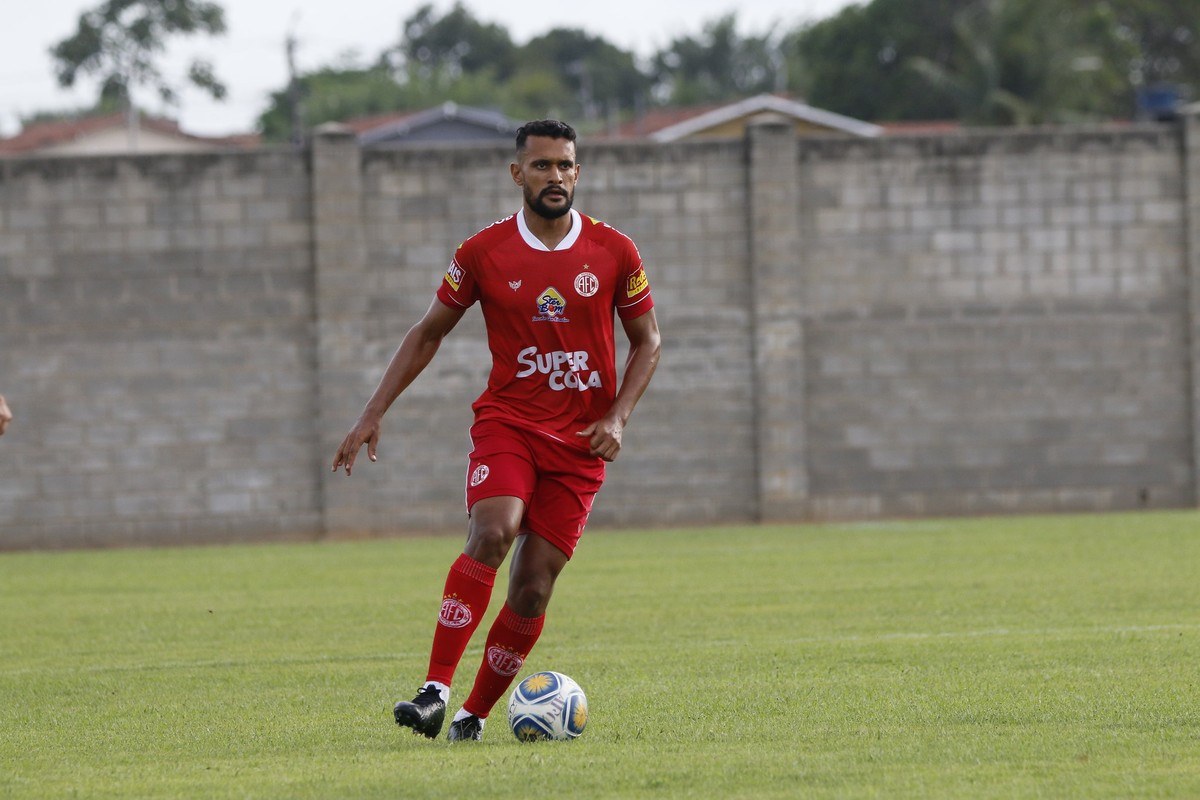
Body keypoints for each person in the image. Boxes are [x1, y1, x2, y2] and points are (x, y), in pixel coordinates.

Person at [331, 119, 661, 742]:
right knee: (493, 530)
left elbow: (649, 342)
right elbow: (428, 333)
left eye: (565, 166)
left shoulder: (615, 251)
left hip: (580, 445)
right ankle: (433, 690)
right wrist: (372, 413)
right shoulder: (482, 253)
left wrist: (617, 416)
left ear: (578, 173)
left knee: (533, 588)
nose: (555, 177)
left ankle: (471, 716)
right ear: (518, 174)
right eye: (542, 166)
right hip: (509, 423)